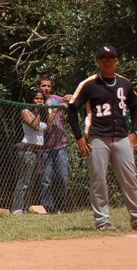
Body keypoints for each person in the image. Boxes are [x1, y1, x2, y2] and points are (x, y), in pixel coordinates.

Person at [66, 45, 137, 231]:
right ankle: (102, 220)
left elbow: (135, 108)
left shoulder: (125, 84)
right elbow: (72, 109)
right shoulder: (89, 84)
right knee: (99, 179)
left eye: (111, 58)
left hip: (122, 137)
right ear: (98, 62)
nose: (107, 62)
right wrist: (79, 138)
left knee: (131, 179)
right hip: (97, 137)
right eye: (103, 59)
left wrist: (134, 134)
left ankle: (136, 218)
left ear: (117, 61)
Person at [11, 89, 47, 215]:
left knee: (31, 182)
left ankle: (26, 208)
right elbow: (35, 126)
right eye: (37, 99)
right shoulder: (26, 112)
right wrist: (38, 111)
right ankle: (17, 208)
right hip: (28, 150)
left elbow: (49, 127)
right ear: (31, 99)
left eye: (41, 99)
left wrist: (52, 111)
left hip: (38, 151)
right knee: (24, 181)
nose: (39, 101)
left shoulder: (42, 113)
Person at [37, 76, 70, 214]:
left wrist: (71, 97)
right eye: (43, 85)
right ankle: (48, 208)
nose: (46, 88)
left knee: (63, 178)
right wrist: (57, 109)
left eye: (48, 86)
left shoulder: (57, 99)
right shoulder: (36, 101)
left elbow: (74, 102)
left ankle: (61, 208)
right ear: (38, 86)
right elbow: (47, 121)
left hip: (60, 145)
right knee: (46, 180)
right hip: (44, 147)